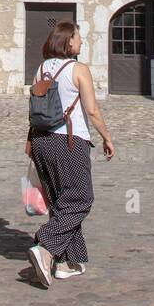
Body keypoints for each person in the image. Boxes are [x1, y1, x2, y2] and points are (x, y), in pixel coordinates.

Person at [27, 21, 114, 288]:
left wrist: (29, 142)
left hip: (41, 140)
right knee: (81, 199)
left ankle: (66, 263)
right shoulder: (78, 69)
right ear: (68, 42)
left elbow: (33, 108)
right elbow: (92, 110)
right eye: (78, 37)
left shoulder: (41, 69)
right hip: (69, 141)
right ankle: (45, 246)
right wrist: (107, 137)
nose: (81, 41)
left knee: (59, 202)